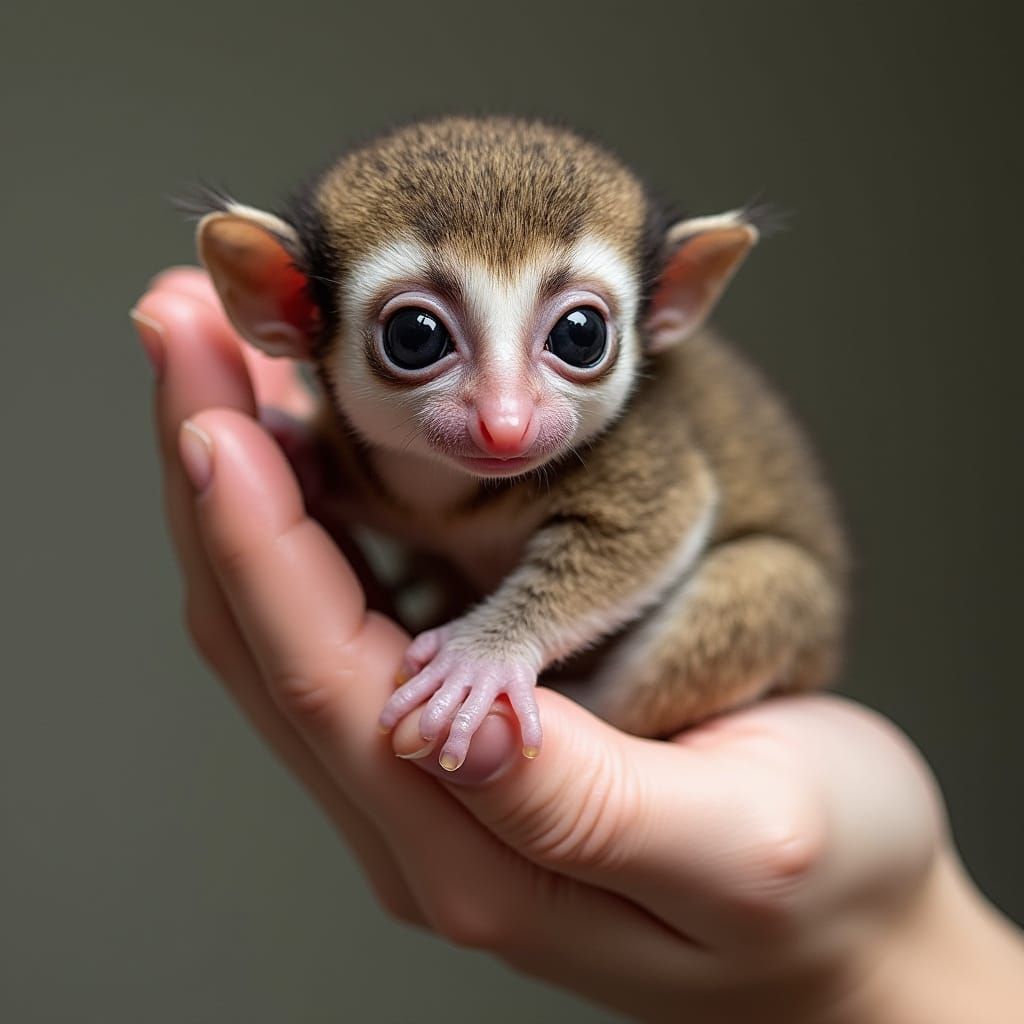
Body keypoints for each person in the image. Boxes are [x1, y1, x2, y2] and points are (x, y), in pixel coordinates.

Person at [132, 267, 1024, 1023]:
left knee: (765, 588)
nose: (507, 422)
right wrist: (327, 469)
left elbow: (657, 522)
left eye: (578, 336)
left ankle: (583, 714)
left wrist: (511, 641)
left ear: (671, 298)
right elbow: (418, 495)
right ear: (286, 304)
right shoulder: (375, 437)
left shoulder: (625, 439)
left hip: (718, 595)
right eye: (416, 337)